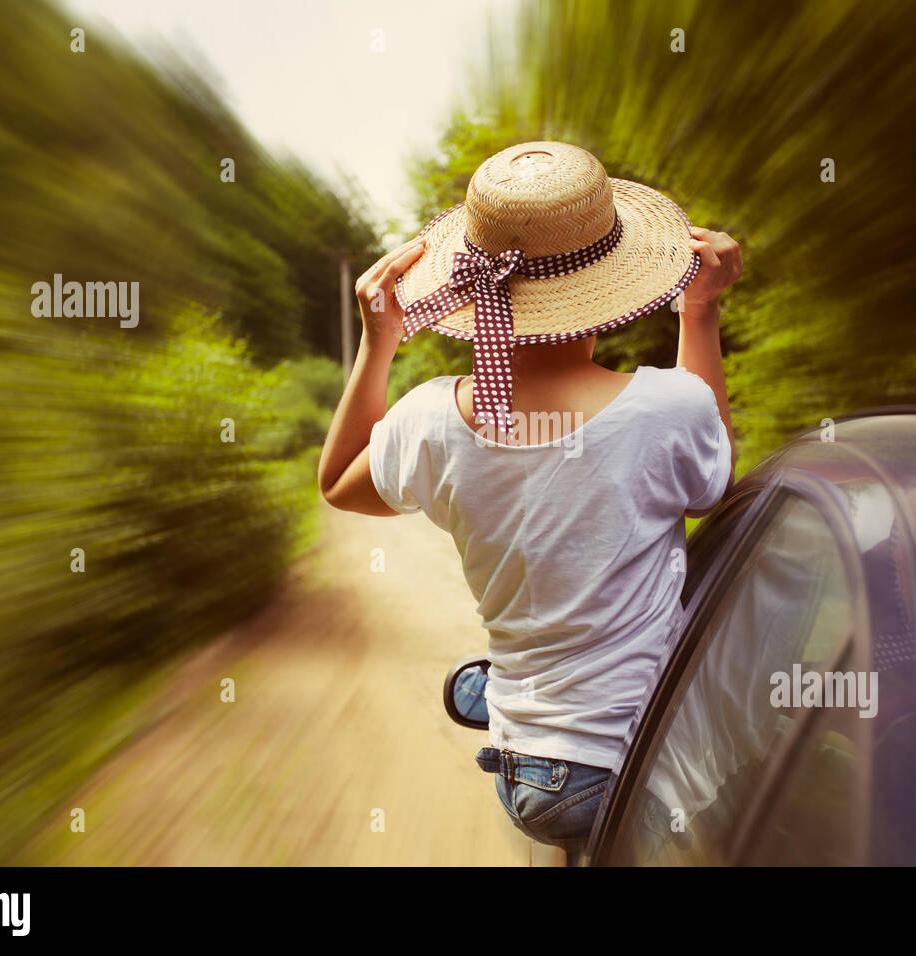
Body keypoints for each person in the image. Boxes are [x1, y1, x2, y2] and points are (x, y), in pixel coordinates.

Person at [318, 141, 742, 862]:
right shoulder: (664, 409)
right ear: (609, 289)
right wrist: (698, 314)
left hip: (521, 769)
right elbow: (715, 491)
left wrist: (378, 340)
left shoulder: (429, 419)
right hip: (624, 767)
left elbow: (336, 486)